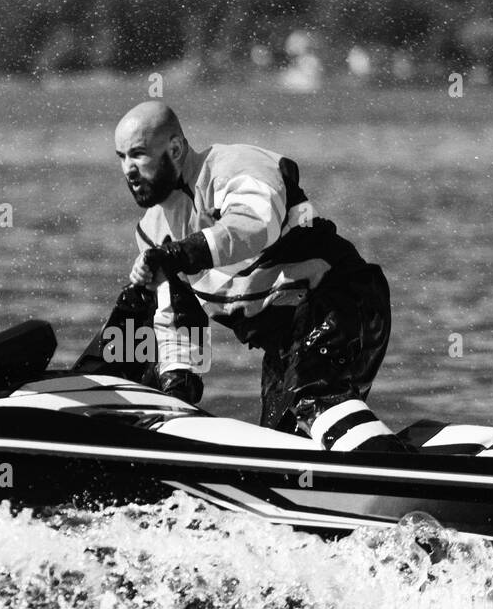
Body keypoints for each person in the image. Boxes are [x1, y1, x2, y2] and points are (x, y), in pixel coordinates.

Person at [114, 100, 404, 452]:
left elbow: (254, 225)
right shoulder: (152, 233)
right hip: (286, 339)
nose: (129, 168)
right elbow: (178, 321)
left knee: (313, 398)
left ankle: (405, 477)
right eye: (122, 157)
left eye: (139, 154)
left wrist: (176, 255)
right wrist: (176, 396)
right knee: (286, 446)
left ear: (174, 149)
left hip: (341, 302)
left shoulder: (232, 166)